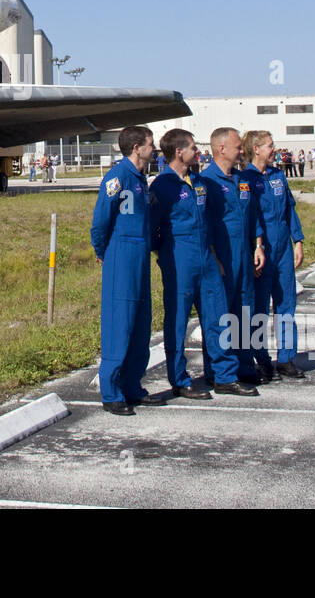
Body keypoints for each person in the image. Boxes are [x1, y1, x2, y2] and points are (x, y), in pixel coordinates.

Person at [90, 125, 164, 415]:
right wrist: (103, 252)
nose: (154, 148)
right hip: (121, 254)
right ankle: (111, 392)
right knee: (119, 322)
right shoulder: (118, 177)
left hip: (140, 254)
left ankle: (133, 385)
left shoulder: (139, 179)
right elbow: (100, 221)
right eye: (150, 144)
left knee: (140, 321)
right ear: (137, 148)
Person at [150, 128, 224, 400]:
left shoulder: (200, 182)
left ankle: (222, 374)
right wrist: (165, 255)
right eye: (193, 147)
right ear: (179, 152)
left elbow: (210, 221)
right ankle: (180, 379)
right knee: (178, 322)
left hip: (206, 259)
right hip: (179, 261)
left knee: (217, 317)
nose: (198, 151)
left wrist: (214, 256)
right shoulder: (161, 186)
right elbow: (151, 229)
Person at [199, 127, 265, 394]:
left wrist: (258, 245)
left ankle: (244, 367)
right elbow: (202, 223)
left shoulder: (242, 180)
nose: (242, 151)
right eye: (238, 146)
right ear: (221, 149)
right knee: (220, 315)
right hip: (222, 257)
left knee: (244, 312)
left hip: (244, 255)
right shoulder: (207, 182)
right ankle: (218, 372)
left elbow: (253, 215)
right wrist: (213, 256)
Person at [242, 131, 308, 380]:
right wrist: (253, 251)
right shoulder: (245, 179)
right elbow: (247, 219)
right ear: (256, 149)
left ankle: (286, 359)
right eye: (270, 146)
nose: (274, 149)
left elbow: (289, 210)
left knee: (286, 306)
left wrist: (298, 241)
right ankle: (262, 359)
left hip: (283, 251)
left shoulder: (279, 175)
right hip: (261, 252)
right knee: (258, 310)